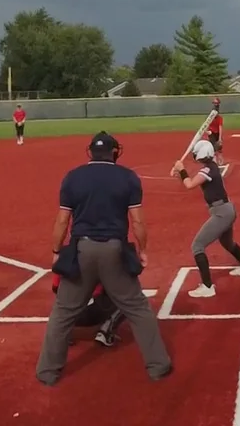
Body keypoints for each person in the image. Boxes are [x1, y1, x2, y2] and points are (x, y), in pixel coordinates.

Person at [36, 132, 171, 386]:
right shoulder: (128, 177)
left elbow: (62, 221)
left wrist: (56, 251)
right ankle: (158, 366)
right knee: (137, 308)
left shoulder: (73, 177)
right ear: (114, 152)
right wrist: (142, 250)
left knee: (63, 312)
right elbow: (138, 222)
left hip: (81, 250)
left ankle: (47, 372)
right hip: (114, 250)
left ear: (90, 152)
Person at [171, 139, 240, 299]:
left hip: (221, 213)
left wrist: (182, 169)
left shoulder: (208, 170)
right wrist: (180, 173)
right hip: (226, 210)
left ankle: (207, 287)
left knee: (197, 246)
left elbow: (190, 185)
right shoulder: (211, 167)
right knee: (227, 243)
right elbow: (189, 182)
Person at [50, 272, 125, 347]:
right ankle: (105, 331)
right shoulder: (101, 264)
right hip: (89, 312)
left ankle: (63, 330)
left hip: (65, 312)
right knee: (126, 294)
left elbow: (55, 287)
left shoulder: (63, 264)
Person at [204, 97, 226, 167]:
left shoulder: (219, 118)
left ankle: (220, 158)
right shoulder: (210, 117)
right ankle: (214, 159)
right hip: (211, 132)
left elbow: (220, 127)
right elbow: (206, 125)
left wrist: (220, 138)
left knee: (219, 146)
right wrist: (207, 131)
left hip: (217, 133)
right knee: (213, 146)